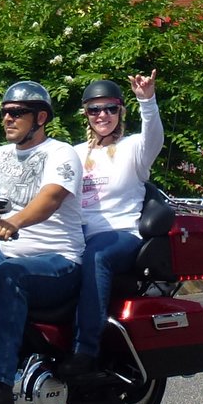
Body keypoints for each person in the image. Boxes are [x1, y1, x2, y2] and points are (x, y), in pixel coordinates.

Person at [0, 81, 84, 404]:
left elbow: (51, 198)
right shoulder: (0, 156)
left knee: (12, 276)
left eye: (16, 112)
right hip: (6, 254)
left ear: (40, 117)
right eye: (4, 112)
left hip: (58, 260)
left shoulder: (60, 153)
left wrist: (14, 222)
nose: (7, 119)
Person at [61, 72, 163, 381]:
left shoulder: (134, 148)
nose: (102, 115)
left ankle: (85, 352)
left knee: (97, 256)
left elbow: (154, 136)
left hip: (120, 235)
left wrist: (147, 99)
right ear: (86, 115)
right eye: (94, 109)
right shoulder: (75, 153)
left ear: (121, 112)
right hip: (75, 234)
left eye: (110, 108)